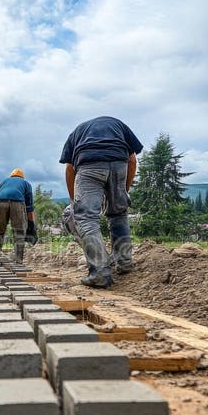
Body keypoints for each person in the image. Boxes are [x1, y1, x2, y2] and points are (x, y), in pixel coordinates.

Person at [59, 116, 142, 288]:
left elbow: (69, 169)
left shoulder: (77, 132)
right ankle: (124, 263)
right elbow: (132, 160)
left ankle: (100, 273)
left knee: (86, 219)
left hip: (88, 166)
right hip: (120, 164)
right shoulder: (119, 124)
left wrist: (75, 202)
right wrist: (124, 191)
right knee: (119, 213)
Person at [0, 168, 34, 264]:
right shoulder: (26, 183)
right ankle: (18, 260)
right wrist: (31, 224)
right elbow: (29, 208)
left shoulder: (2, 183)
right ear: (22, 177)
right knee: (19, 233)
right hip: (17, 203)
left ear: (11, 176)